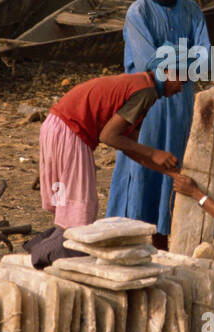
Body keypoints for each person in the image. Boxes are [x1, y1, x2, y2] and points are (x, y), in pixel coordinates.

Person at [105, 0, 210, 249]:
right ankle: (131, 231)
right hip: (145, 106)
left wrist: (175, 61)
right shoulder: (138, 13)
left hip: (181, 106)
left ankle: (166, 234)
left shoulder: (191, 11)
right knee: (142, 164)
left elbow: (204, 57)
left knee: (174, 165)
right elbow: (148, 62)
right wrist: (182, 61)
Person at [38, 67, 184, 230]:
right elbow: (108, 136)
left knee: (67, 204)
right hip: (71, 130)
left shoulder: (140, 84)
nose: (180, 89)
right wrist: (154, 153)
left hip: (55, 126)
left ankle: (56, 248)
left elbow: (132, 148)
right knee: (79, 209)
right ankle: (67, 251)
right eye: (181, 81)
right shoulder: (146, 92)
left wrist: (171, 173)